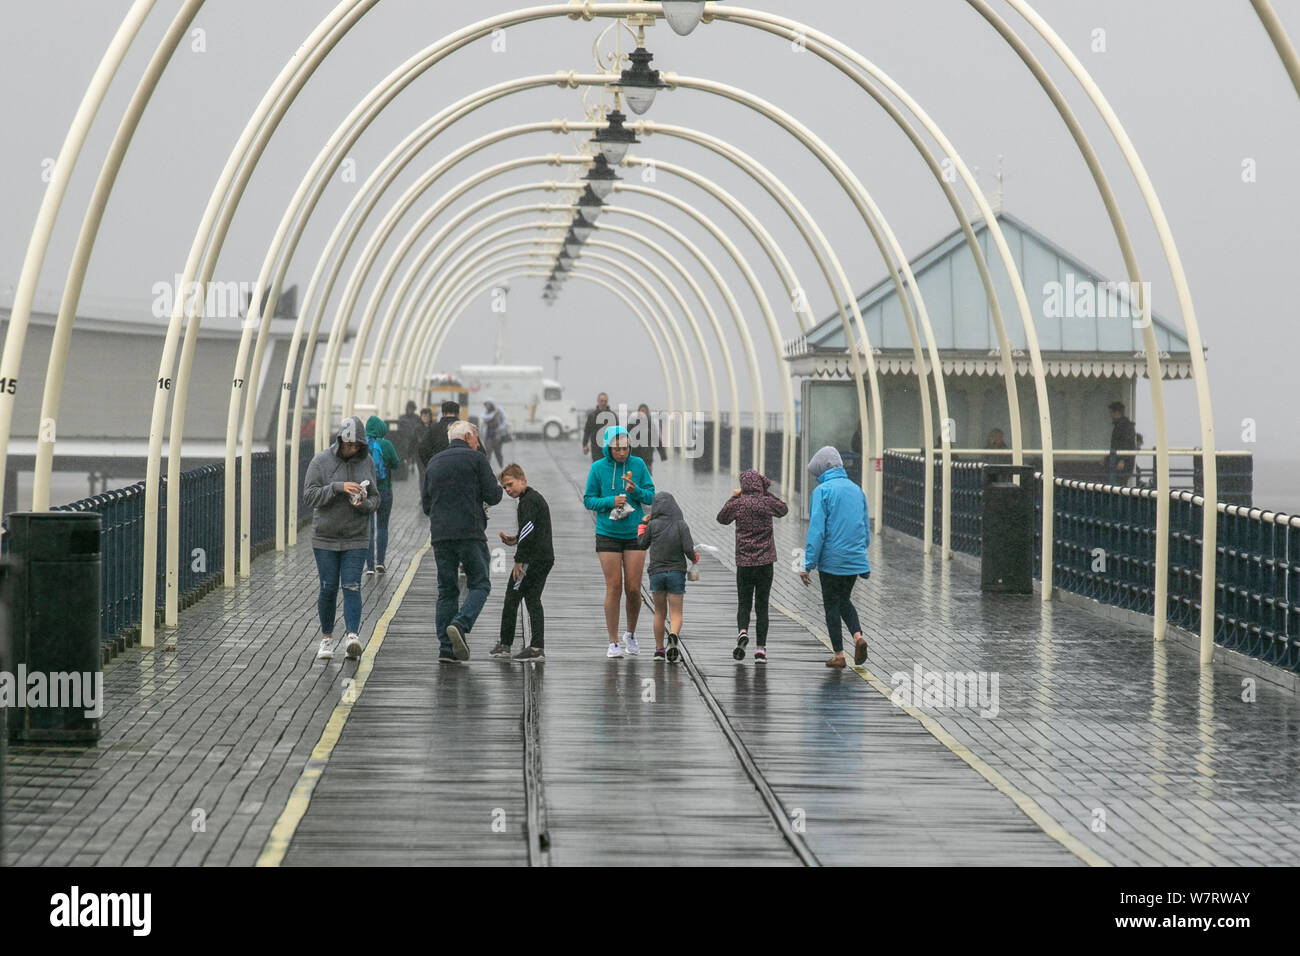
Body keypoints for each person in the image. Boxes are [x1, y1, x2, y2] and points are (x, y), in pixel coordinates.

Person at [422, 420, 503, 663]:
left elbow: (426, 505)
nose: (478, 444)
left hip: (441, 536)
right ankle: (461, 622)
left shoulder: (433, 462)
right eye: (476, 439)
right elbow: (494, 494)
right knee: (480, 583)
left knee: (446, 590)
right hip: (470, 532)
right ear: (468, 436)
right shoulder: (476, 459)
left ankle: (446, 649)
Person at [302, 416, 380, 662]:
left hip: (356, 537)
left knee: (352, 585)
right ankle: (326, 638)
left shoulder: (366, 461)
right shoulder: (321, 461)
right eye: (349, 445)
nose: (353, 449)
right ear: (340, 441)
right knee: (327, 588)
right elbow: (309, 496)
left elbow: (376, 498)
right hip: (325, 537)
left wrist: (364, 504)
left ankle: (353, 637)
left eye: (357, 445)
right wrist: (337, 487)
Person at [583, 425, 655, 658]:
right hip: (607, 532)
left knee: (634, 588)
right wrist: (609, 501)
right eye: (617, 449)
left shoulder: (638, 465)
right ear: (608, 448)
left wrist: (636, 492)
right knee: (614, 586)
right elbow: (588, 500)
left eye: (625, 448)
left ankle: (630, 634)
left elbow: (652, 495)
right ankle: (613, 642)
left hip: (635, 532)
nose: (622, 453)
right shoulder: (598, 468)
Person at [799, 445, 870, 669]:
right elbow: (865, 528)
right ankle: (858, 637)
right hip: (854, 559)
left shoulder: (822, 492)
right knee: (844, 600)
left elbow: (817, 531)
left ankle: (839, 654)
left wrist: (807, 563)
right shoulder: (856, 489)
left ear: (823, 470)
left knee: (831, 603)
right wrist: (859, 552)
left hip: (831, 560)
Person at [716, 469, 788, 663]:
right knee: (762, 605)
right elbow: (783, 509)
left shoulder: (739, 504)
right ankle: (760, 650)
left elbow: (721, 519)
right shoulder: (766, 502)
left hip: (744, 563)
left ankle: (742, 632)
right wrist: (766, 492)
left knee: (744, 602)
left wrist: (732, 498)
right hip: (765, 563)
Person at [490, 464, 553, 663]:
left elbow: (528, 528)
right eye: (505, 488)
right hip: (543, 557)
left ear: (522, 479)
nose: (508, 490)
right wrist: (516, 539)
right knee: (533, 600)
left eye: (510, 485)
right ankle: (536, 647)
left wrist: (519, 559)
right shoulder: (531, 498)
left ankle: (505, 645)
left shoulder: (528, 501)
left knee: (512, 598)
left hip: (531, 560)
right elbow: (531, 530)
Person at [637, 492, 698, 661]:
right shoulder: (681, 525)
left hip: (656, 573)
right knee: (676, 612)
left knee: (659, 613)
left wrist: (642, 524)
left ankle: (658, 650)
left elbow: (641, 544)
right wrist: (694, 558)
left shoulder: (652, 525)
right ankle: (672, 635)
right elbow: (688, 548)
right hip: (676, 573)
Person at [364, 415, 401, 575]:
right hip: (384, 490)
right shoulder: (386, 444)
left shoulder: (361, 445)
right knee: (382, 526)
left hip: (366, 492)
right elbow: (396, 463)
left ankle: (370, 566)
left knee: (369, 528)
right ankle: (380, 562)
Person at [628, 403, 667, 475]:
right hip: (635, 456)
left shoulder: (650, 425)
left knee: (647, 478)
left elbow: (656, 440)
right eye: (641, 411)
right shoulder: (632, 424)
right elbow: (626, 437)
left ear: (647, 413)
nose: (643, 413)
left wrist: (663, 454)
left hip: (647, 457)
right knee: (634, 478)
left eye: (644, 411)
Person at [420, 400, 460, 469]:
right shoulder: (467, 428)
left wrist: (430, 465)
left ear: (443, 414)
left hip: (439, 468)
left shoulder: (434, 429)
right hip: (461, 470)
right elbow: (480, 452)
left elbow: (422, 449)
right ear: (457, 414)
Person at [1107, 401, 1137, 484]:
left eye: (1111, 412)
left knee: (1120, 485)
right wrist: (1107, 457)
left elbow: (1128, 444)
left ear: (1117, 412)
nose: (1110, 415)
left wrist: (1123, 460)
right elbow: (1117, 445)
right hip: (1119, 461)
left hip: (1122, 463)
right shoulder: (1122, 425)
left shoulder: (1125, 426)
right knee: (1119, 486)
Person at [582, 392, 615, 463]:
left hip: (609, 448)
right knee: (597, 469)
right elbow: (587, 431)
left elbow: (618, 432)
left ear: (607, 402)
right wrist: (585, 445)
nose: (603, 403)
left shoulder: (613, 416)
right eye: (601, 401)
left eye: (605, 401)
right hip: (596, 449)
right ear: (598, 401)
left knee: (608, 470)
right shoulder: (592, 416)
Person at [480, 398, 509, 469]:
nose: (486, 406)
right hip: (488, 435)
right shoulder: (485, 412)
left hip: (497, 436)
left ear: (491, 404)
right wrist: (494, 413)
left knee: (498, 453)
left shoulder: (499, 411)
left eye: (488, 404)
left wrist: (500, 428)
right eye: (485, 404)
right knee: (487, 453)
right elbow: (485, 417)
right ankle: (486, 469)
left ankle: (501, 468)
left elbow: (505, 420)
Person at [398, 400, 423, 475]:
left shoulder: (417, 417)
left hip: (414, 437)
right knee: (406, 450)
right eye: (409, 408)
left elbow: (419, 427)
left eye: (412, 408)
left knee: (414, 451)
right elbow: (400, 428)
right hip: (405, 437)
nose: (410, 410)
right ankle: (408, 463)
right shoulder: (402, 417)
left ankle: (412, 463)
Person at [412, 406, 435, 485]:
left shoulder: (434, 427)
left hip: (432, 454)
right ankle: (423, 493)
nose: (425, 418)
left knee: (431, 474)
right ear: (421, 417)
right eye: (423, 416)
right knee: (422, 474)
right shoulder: (417, 428)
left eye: (427, 416)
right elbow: (413, 442)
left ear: (430, 417)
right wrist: (409, 455)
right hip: (420, 456)